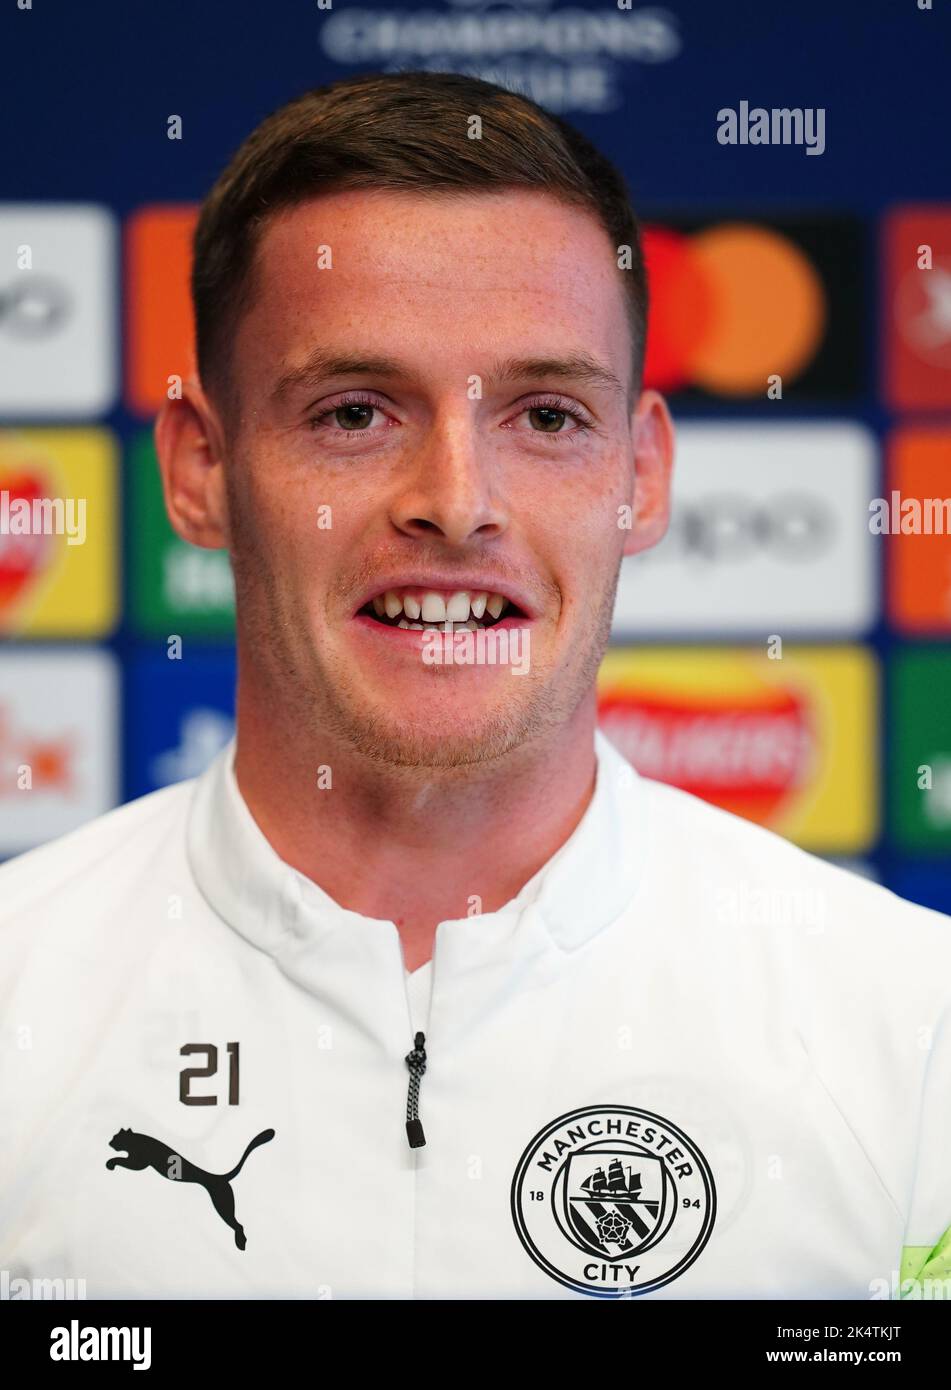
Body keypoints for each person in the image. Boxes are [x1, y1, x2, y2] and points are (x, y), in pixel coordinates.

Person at [1, 70, 949, 1303]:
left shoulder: (912, 1029)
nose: (456, 501)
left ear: (641, 476)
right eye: (354, 412)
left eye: (546, 416)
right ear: (201, 471)